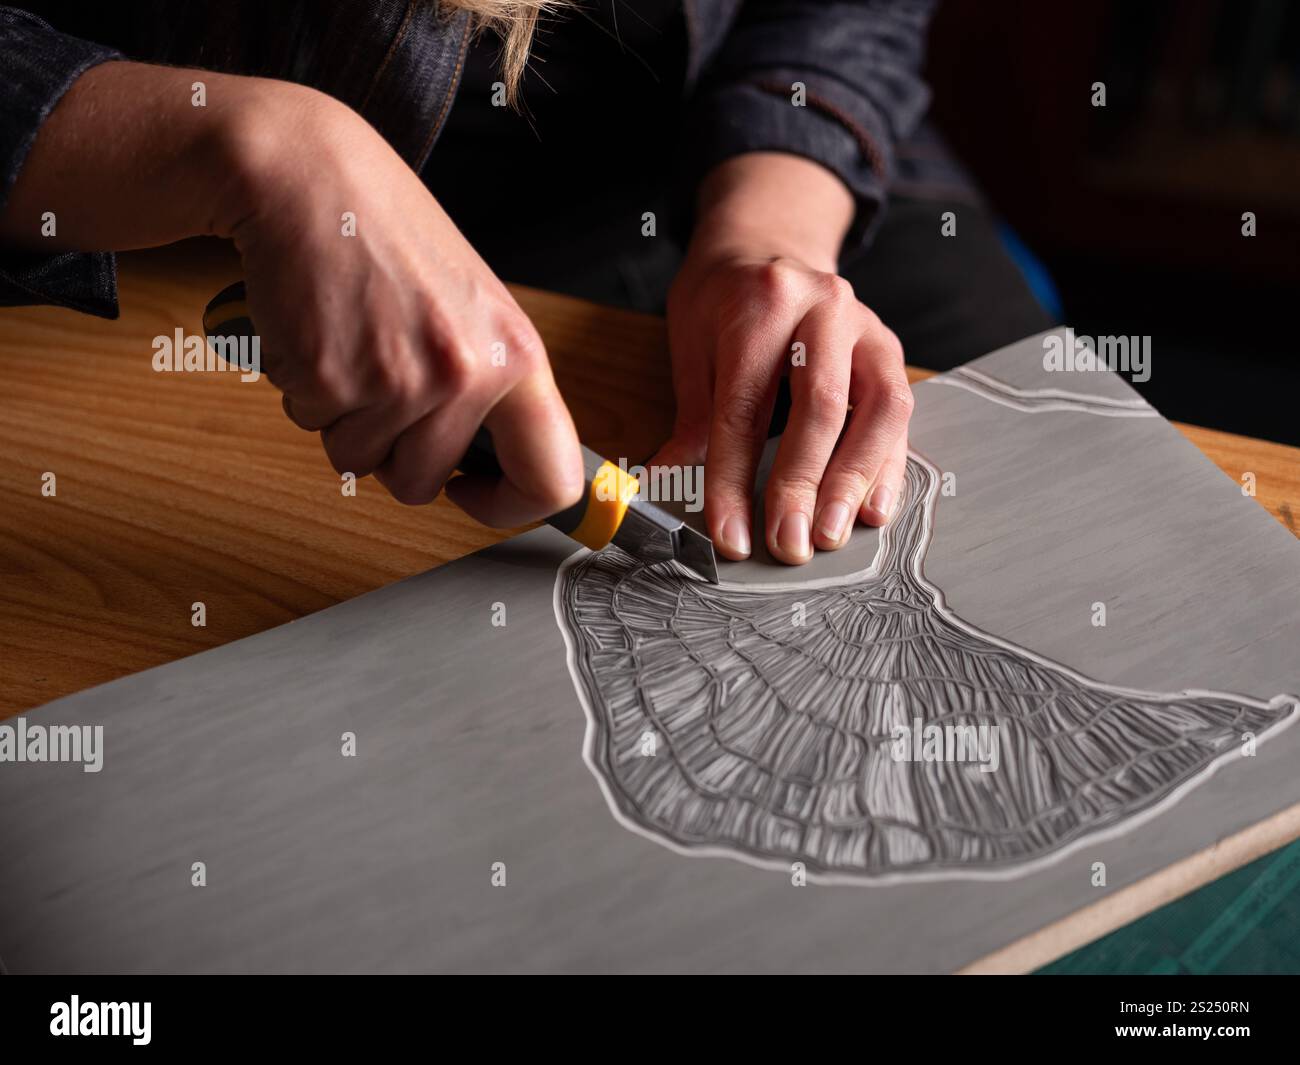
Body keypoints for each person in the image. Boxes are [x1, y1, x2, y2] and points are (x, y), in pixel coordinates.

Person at [0, 1, 1054, 566]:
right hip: (154, 220)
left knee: (1036, 505)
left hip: (762, 146)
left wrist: (769, 234)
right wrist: (251, 148)